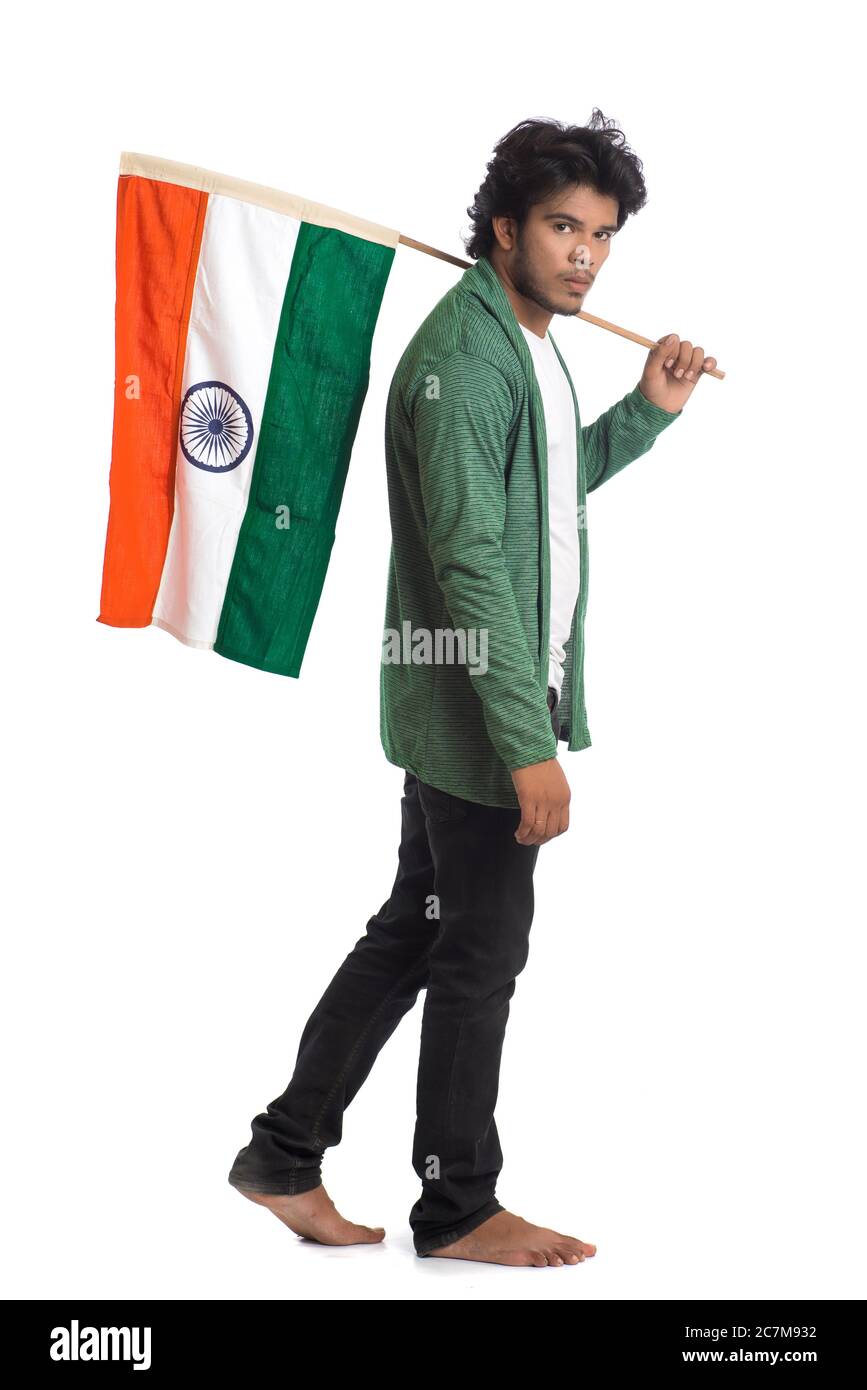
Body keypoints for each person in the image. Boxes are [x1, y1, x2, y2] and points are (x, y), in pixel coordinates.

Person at [227, 111, 716, 1267]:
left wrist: (647, 411)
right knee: (478, 956)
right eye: (561, 226)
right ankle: (458, 1205)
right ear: (504, 228)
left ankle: (282, 1153)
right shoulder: (462, 357)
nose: (585, 254)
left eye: (600, 233)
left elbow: (543, 494)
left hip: (484, 704)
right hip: (477, 714)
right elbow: (469, 561)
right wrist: (525, 744)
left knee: (418, 928)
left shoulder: (529, 346)